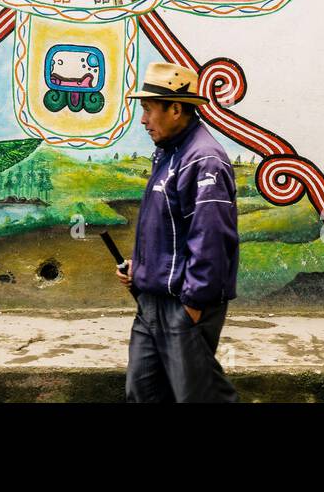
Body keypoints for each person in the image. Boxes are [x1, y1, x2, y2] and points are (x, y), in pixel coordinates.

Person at [117, 61, 239, 403]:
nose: (143, 120)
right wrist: (139, 268)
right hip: (152, 302)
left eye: (148, 110)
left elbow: (211, 238)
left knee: (198, 397)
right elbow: (170, 230)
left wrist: (193, 305)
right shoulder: (168, 153)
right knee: (142, 392)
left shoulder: (204, 160)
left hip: (184, 304)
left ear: (175, 108)